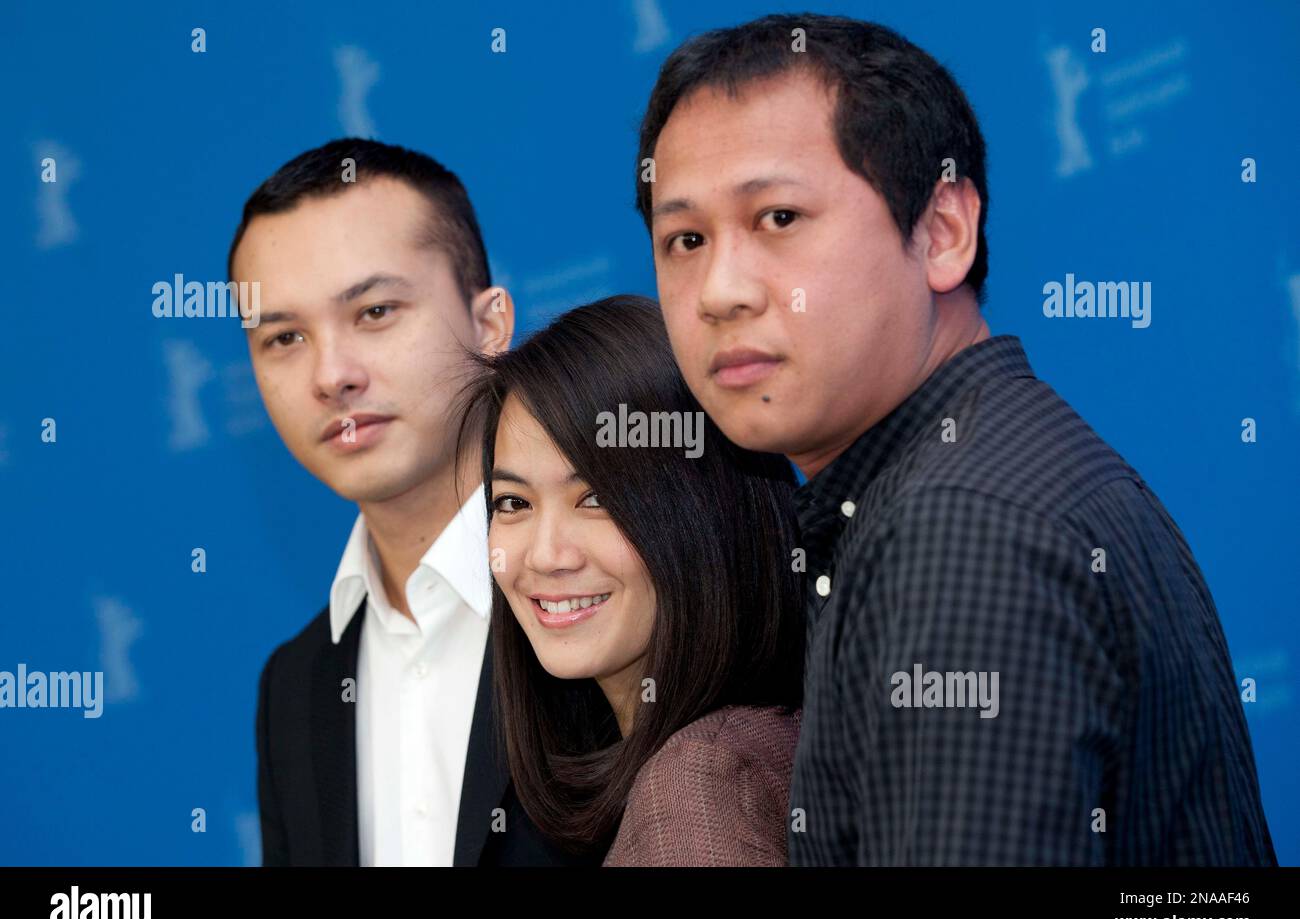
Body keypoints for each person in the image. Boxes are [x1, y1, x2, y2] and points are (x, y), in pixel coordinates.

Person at [636, 14, 1277, 865]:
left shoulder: (960, 529)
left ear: (942, 231)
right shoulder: (963, 476)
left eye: (780, 217)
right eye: (685, 239)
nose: (719, 290)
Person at [234, 137, 594, 865]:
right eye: (285, 337)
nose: (332, 375)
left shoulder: (607, 593)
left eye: (374, 312)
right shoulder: (295, 689)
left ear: (490, 325)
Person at [456, 294, 804, 865]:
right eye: (514, 502)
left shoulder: (700, 785)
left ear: (712, 511)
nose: (546, 555)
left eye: (594, 498)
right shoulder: (596, 780)